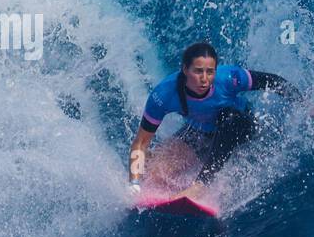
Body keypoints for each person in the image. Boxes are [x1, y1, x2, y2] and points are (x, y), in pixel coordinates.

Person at [127, 41, 303, 195]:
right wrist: (134, 183)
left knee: (229, 117)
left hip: (240, 127)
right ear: (185, 70)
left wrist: (304, 104)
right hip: (200, 132)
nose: (204, 79)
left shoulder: (229, 77)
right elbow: (141, 142)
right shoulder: (164, 94)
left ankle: (201, 185)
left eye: (210, 72)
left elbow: (272, 81)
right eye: (198, 71)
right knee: (153, 176)